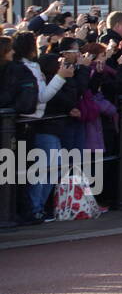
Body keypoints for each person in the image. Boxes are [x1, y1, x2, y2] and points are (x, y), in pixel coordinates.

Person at [12, 31, 73, 223]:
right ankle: (34, 209)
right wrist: (60, 77)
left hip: (34, 122)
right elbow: (42, 97)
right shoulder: (26, 67)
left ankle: (37, 208)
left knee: (48, 169)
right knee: (39, 170)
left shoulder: (31, 66)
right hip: (30, 123)